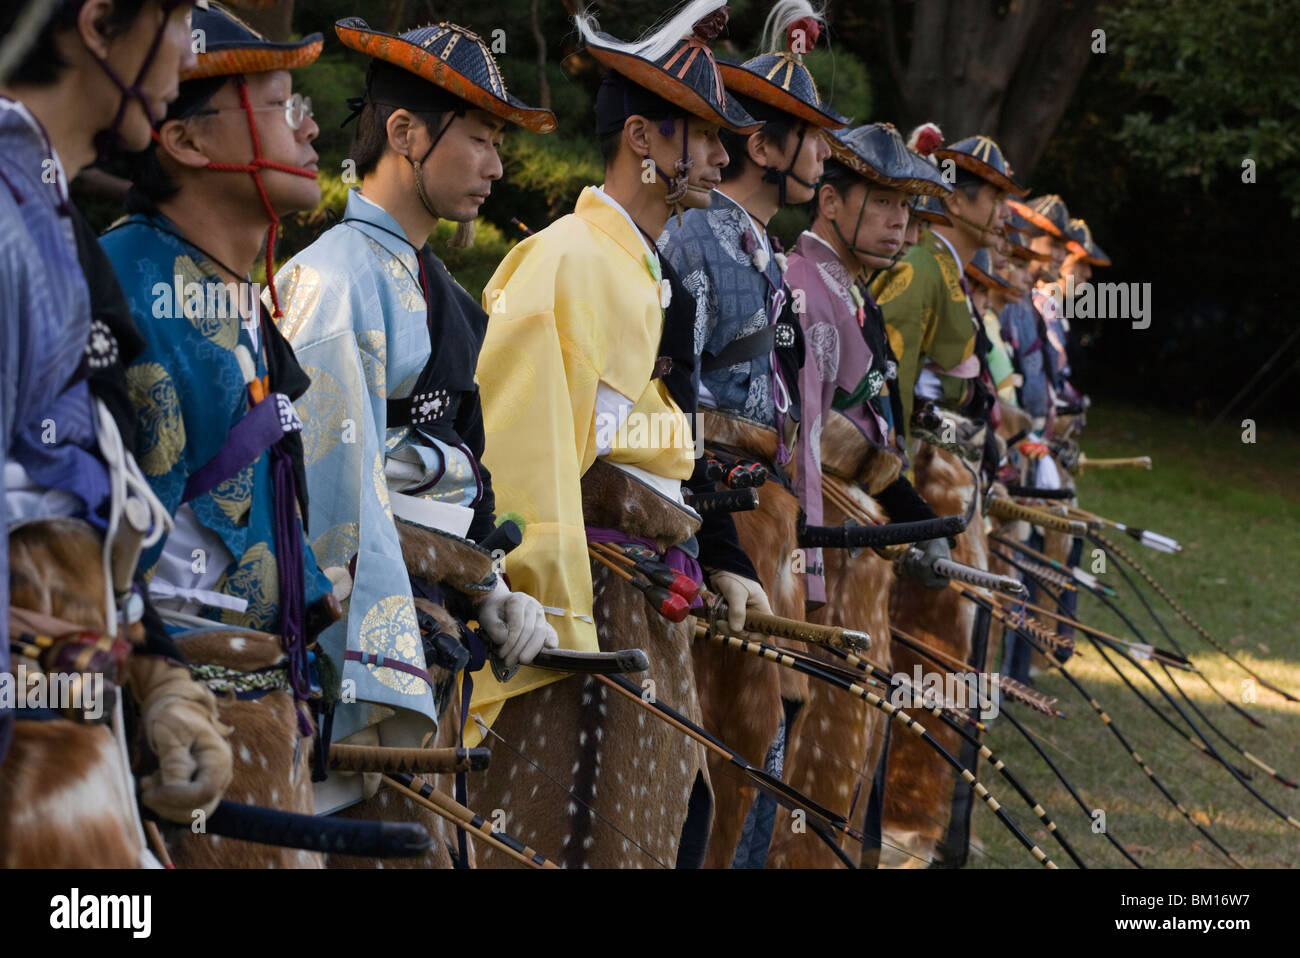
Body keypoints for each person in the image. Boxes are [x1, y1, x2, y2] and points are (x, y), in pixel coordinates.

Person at [472, 0, 758, 868]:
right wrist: (539, 611)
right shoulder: (567, 258)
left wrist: (712, 550)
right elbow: (524, 455)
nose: (721, 155)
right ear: (642, 138)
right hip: (574, 613)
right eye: (702, 134)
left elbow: (646, 438)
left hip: (638, 591)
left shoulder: (636, 263)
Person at [272, 18, 559, 778]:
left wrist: (494, 586)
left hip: (443, 614)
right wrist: (393, 644)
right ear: (404, 132)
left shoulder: (457, 304)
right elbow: (334, 494)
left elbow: (469, 465)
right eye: (482, 140)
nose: (496, 166)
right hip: (372, 641)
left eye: (500, 145)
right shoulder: (329, 283)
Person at [98, 3, 341, 825]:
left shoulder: (233, 289)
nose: (310, 134)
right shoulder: (119, 287)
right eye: (281, 107)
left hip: (264, 699)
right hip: (166, 719)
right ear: (187, 142)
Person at [0, 0, 231, 846]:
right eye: (176, 17)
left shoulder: (43, 210)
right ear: (99, 25)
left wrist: (158, 680)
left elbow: (82, 510)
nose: (189, 51)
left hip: (69, 752)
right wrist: (45, 685)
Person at [657, 0, 848, 868]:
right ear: (764, 149)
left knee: (761, 735)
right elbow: (670, 402)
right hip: (711, 514)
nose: (821, 153)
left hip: (767, 513)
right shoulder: (694, 237)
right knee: (711, 746)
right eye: (806, 135)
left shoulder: (766, 250)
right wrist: (717, 535)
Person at [870, 134, 1026, 443]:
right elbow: (895, 387)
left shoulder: (947, 271)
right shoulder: (919, 272)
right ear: (954, 202)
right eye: (995, 200)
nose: (1006, 213)